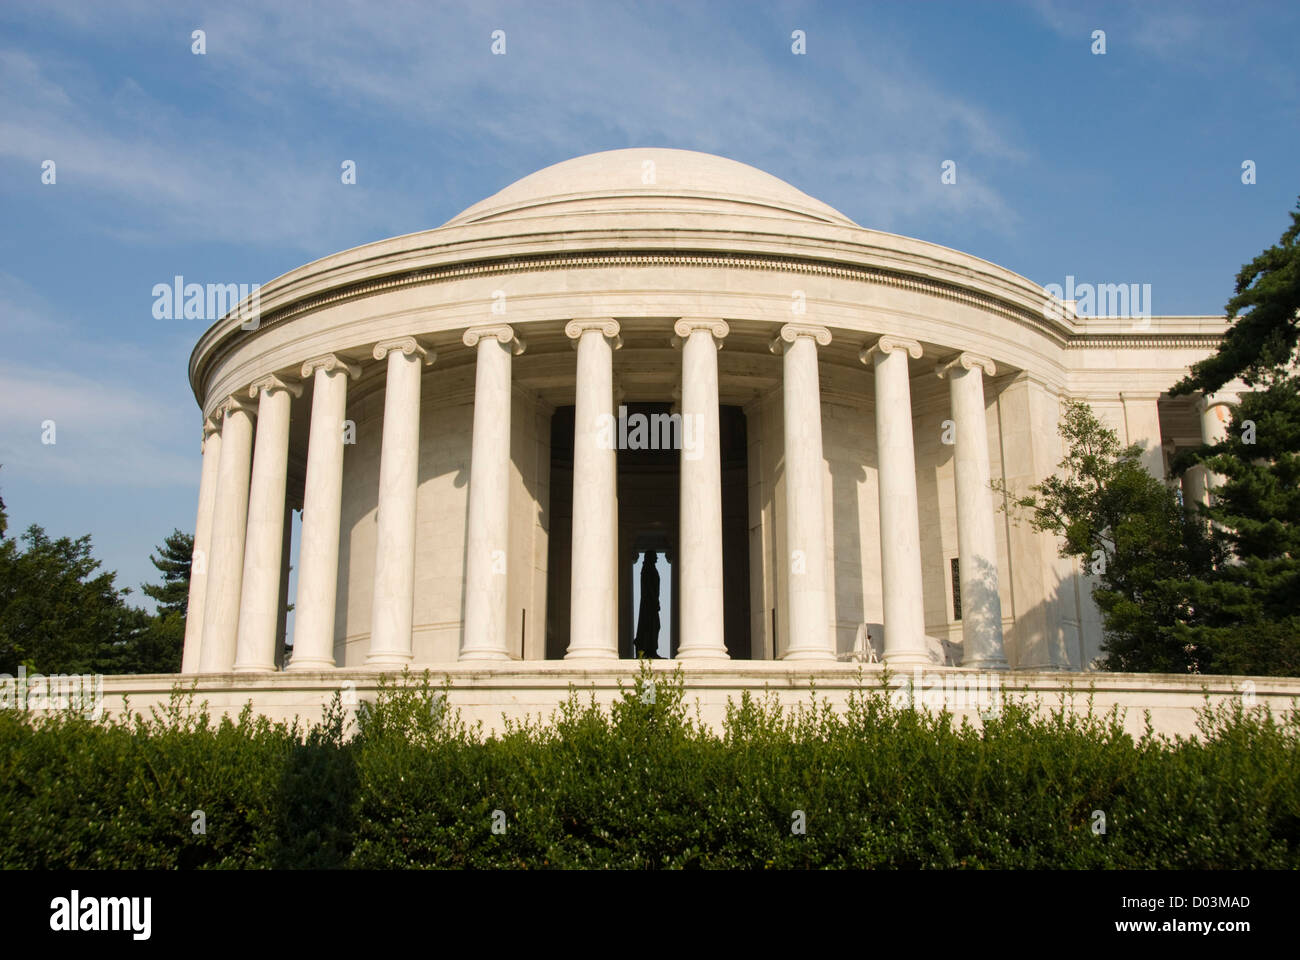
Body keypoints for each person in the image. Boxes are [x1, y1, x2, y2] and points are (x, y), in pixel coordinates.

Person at [633, 552, 661, 658]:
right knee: (651, 626)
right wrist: (654, 600)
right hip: (649, 603)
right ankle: (649, 650)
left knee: (654, 626)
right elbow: (649, 587)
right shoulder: (648, 569)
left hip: (651, 602)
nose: (656, 559)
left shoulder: (649, 568)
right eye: (654, 557)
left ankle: (651, 650)